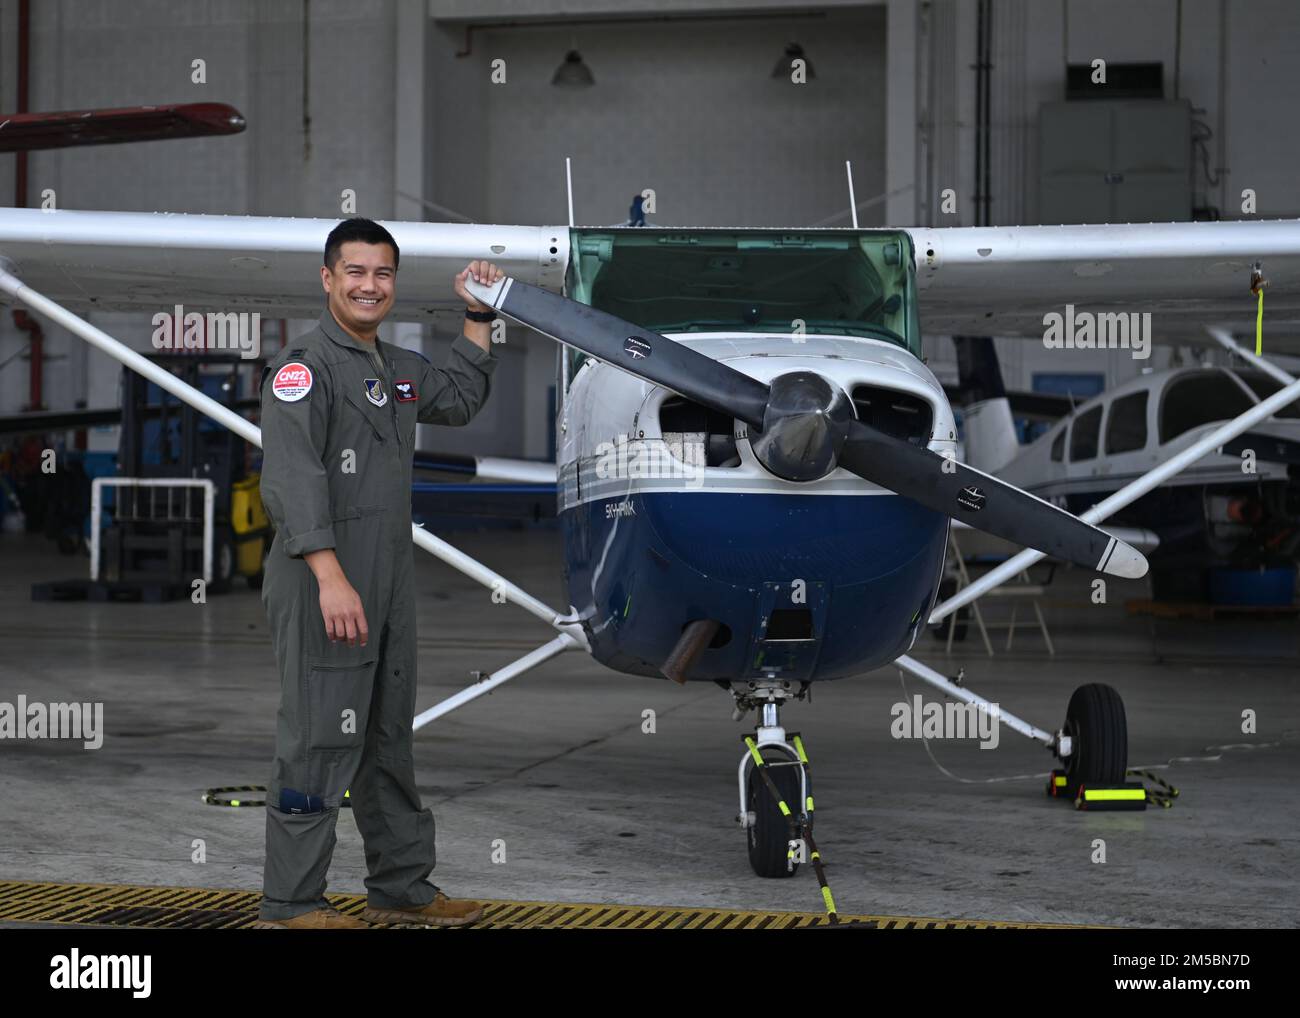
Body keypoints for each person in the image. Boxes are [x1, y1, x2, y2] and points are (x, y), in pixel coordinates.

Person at [253, 217, 503, 928]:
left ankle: (401, 885)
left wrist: (478, 316)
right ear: (328, 279)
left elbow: (457, 396)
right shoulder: (304, 368)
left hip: (387, 581)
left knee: (387, 733)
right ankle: (293, 901)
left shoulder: (394, 370)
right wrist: (331, 577)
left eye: (383, 273)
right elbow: (294, 479)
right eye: (355, 272)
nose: (370, 285)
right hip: (323, 578)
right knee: (317, 737)